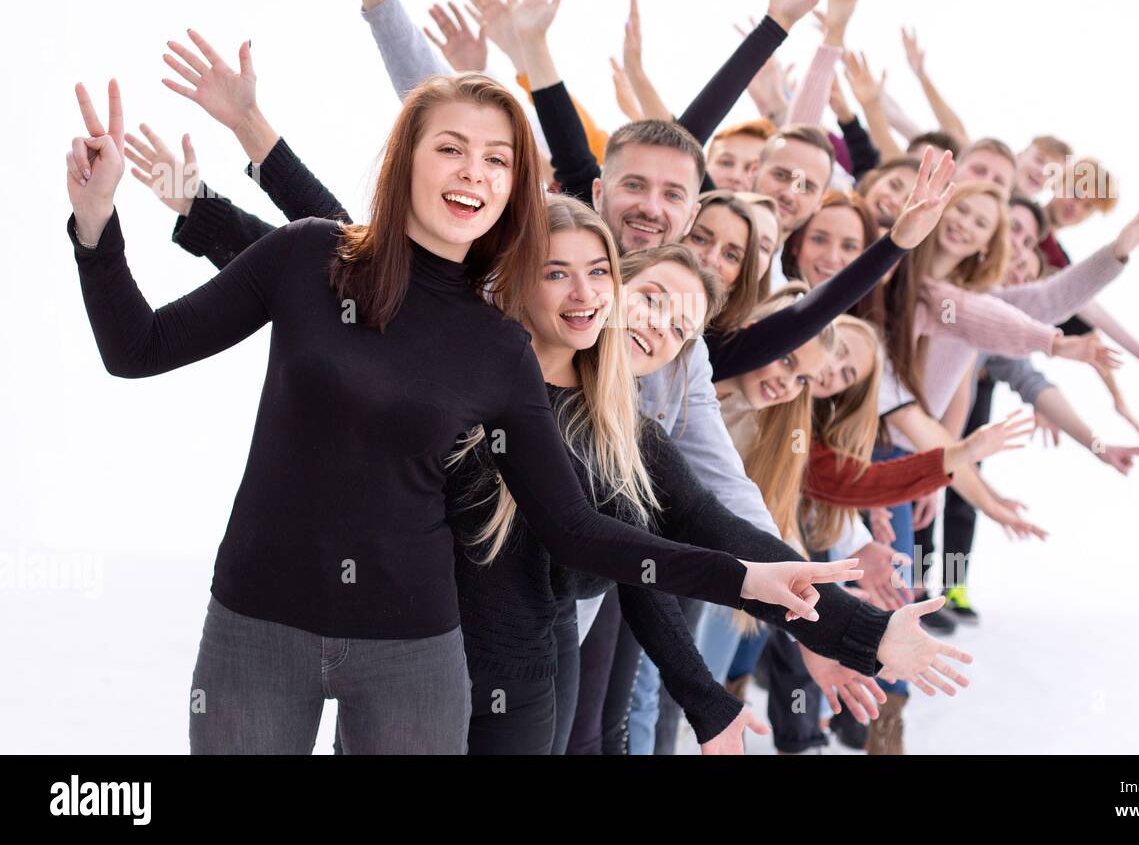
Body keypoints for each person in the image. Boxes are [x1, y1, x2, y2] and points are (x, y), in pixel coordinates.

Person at [63, 73, 878, 754]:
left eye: (497, 159)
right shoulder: (308, 255)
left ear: (514, 187)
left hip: (414, 649)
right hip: (257, 620)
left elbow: (582, 528)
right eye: (451, 148)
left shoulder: (499, 348)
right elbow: (137, 347)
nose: (473, 171)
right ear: (407, 159)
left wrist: (750, 579)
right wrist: (97, 225)